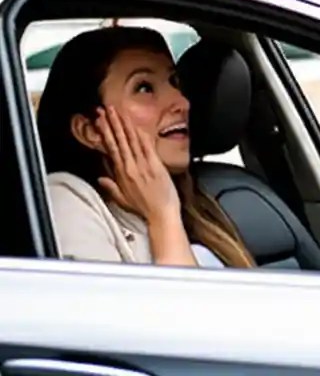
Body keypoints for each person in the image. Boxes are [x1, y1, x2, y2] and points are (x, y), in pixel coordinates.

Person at [38, 26, 256, 267]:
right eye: (144, 88)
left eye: (174, 81)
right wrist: (163, 216)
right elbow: (184, 293)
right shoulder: (67, 202)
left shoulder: (202, 203)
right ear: (90, 131)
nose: (182, 102)